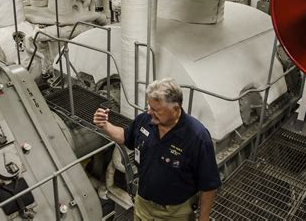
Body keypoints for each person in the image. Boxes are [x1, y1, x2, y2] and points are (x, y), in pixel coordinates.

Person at [94, 78, 221, 221]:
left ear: (175, 109)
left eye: (155, 110)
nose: (149, 112)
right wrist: (105, 125)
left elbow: (209, 185)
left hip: (175, 214)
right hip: (143, 204)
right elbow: (125, 136)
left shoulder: (197, 137)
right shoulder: (145, 120)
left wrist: (203, 218)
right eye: (149, 106)